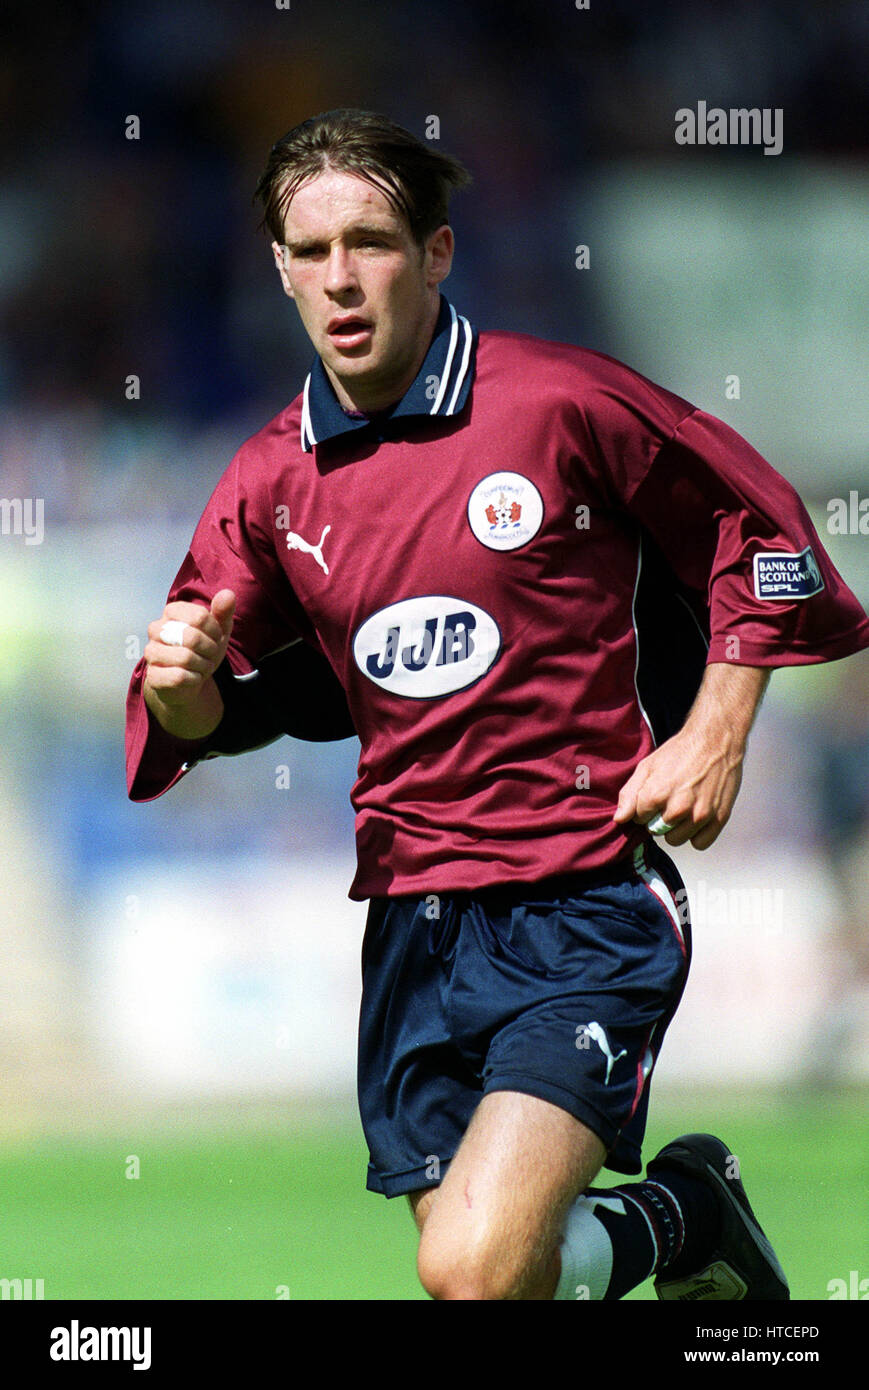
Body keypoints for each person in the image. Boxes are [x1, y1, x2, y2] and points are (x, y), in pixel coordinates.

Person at [126, 109, 869, 1301]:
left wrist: (715, 728)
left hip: (582, 899)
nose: (340, 278)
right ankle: (687, 1218)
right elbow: (202, 714)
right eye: (309, 253)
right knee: (491, 1277)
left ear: (436, 253)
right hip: (412, 923)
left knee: (471, 1274)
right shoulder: (267, 479)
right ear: (277, 270)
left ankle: (682, 1213)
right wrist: (183, 689)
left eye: (369, 242)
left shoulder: (561, 403)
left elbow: (762, 532)